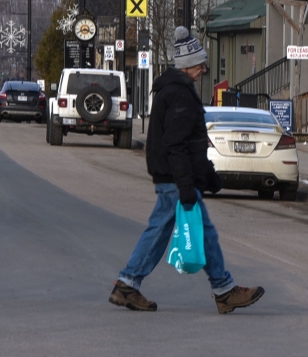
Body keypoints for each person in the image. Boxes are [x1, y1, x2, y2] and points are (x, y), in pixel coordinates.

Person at [109, 26, 265, 314]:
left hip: (176, 177)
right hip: (175, 178)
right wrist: (185, 186)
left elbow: (191, 142)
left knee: (187, 231)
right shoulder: (180, 95)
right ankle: (221, 289)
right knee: (184, 231)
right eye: (200, 63)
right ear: (187, 65)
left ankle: (132, 283)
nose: (204, 68)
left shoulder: (175, 91)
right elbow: (176, 145)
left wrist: (207, 175)